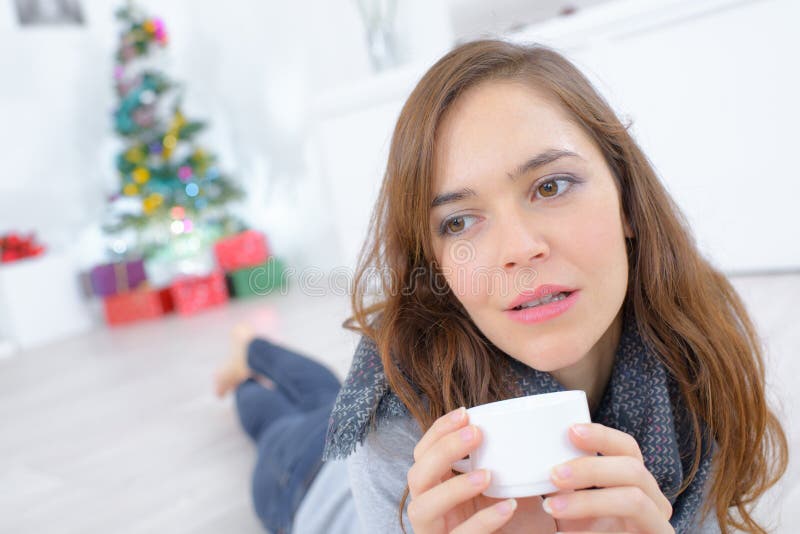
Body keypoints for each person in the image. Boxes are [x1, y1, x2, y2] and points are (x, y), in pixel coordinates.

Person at [320, 39, 788, 534]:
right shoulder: (394, 416)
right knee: (282, 416)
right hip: (315, 497)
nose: (518, 249)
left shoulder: (698, 338)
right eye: (458, 221)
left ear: (626, 197)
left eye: (551, 187)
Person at [214, 325, 357, 534]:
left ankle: (249, 353)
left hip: (323, 457)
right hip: (316, 465)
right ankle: (244, 373)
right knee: (277, 422)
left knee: (321, 393)